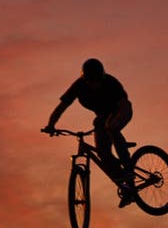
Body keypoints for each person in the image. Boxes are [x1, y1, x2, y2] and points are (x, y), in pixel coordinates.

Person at [43, 58, 135, 206]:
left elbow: (124, 105)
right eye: (91, 81)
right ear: (85, 79)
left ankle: (128, 168)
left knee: (110, 127)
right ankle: (125, 186)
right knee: (103, 153)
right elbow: (62, 107)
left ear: (102, 77)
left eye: (97, 81)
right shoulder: (78, 86)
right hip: (102, 118)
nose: (94, 85)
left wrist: (113, 126)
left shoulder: (111, 83)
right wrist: (51, 125)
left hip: (121, 110)